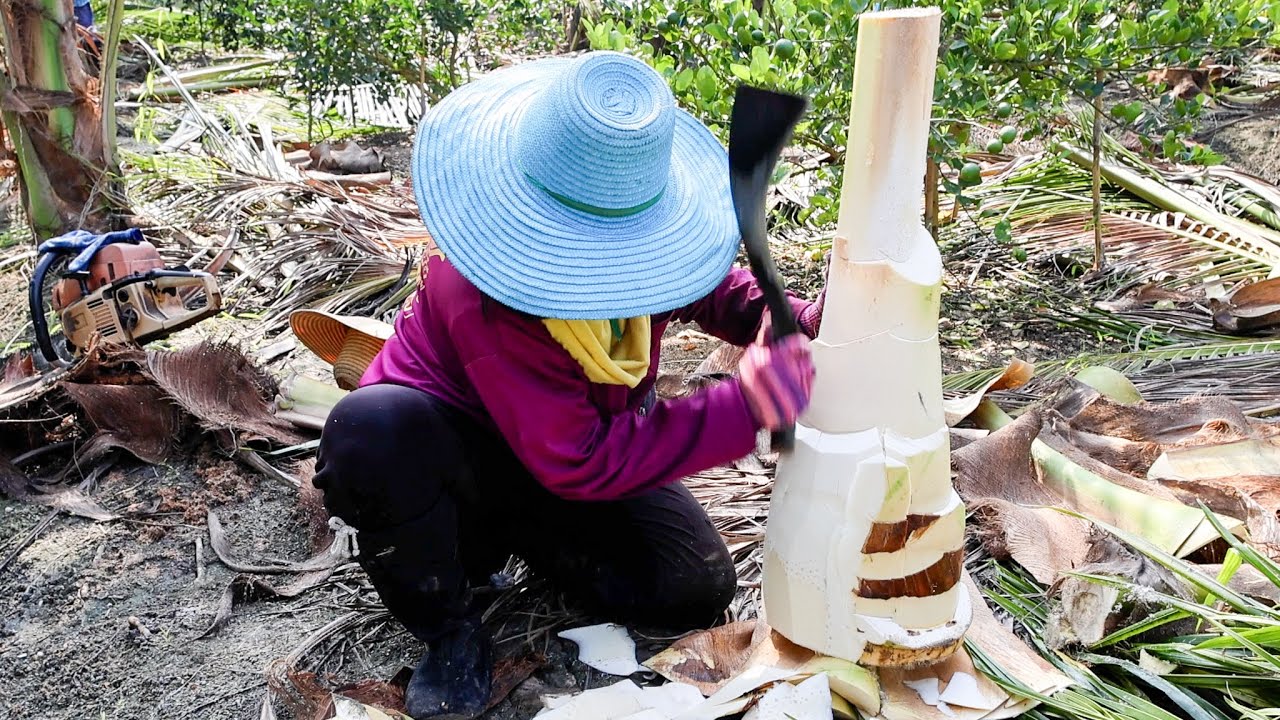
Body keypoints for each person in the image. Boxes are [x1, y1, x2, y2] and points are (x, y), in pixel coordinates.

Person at [312, 50, 825, 720]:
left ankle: (537, 537)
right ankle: (449, 627)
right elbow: (579, 455)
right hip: (458, 466)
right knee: (371, 432)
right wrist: (745, 405)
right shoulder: (484, 290)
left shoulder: (648, 253)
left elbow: (714, 290)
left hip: (556, 461)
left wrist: (792, 315)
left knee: (691, 585)